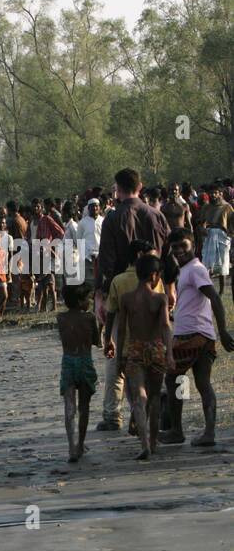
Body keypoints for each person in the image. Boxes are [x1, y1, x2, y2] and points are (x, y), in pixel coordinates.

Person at [96, 169, 171, 431]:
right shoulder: (157, 215)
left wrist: (100, 297)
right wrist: (169, 288)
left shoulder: (113, 218)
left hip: (122, 289)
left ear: (118, 189)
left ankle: (112, 413)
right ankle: (156, 403)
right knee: (154, 349)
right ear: (140, 187)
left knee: (117, 353)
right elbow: (170, 257)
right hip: (155, 288)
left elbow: (104, 262)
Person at [163, 230, 234, 446]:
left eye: (183, 246)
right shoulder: (186, 270)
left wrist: (223, 331)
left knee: (175, 378)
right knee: (196, 382)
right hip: (202, 334)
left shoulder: (194, 270)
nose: (179, 251)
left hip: (191, 335)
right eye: (175, 247)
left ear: (193, 244)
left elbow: (215, 298)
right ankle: (207, 433)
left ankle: (177, 430)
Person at [116, 255, 174, 460]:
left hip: (135, 350)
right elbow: (166, 327)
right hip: (157, 349)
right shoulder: (160, 299)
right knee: (156, 397)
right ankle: (153, 442)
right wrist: (170, 354)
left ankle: (144, 444)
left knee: (139, 398)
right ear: (154, 275)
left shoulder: (126, 299)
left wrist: (119, 358)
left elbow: (121, 330)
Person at [57, 286, 99, 463]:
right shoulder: (89, 318)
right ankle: (81, 444)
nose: (89, 302)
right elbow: (97, 341)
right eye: (87, 299)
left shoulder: (61, 318)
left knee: (69, 406)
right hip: (85, 361)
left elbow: (63, 338)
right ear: (80, 301)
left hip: (68, 362)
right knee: (84, 407)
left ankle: (70, 446)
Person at [199, 186, 232, 297]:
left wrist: (230, 234)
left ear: (220, 194)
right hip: (209, 235)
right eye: (211, 193)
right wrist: (202, 229)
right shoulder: (206, 207)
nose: (213, 195)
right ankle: (209, 290)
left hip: (222, 236)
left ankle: (221, 291)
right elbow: (201, 222)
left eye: (215, 193)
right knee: (207, 264)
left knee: (223, 264)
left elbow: (232, 222)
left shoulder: (227, 207)